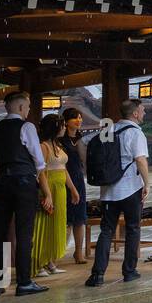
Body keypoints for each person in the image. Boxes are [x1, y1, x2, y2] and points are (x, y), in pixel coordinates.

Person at [0, 92, 53, 297]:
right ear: (20, 107)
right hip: (24, 180)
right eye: (28, 107)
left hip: (4, 181)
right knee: (24, 232)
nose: (29, 110)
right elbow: (38, 160)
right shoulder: (27, 126)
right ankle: (24, 282)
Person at [85, 98, 149, 288]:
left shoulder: (108, 130)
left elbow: (83, 143)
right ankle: (129, 271)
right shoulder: (136, 133)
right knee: (132, 229)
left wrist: (89, 169)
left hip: (108, 191)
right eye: (143, 110)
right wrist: (148, 183)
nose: (144, 113)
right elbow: (140, 160)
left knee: (106, 231)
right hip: (131, 188)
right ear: (135, 113)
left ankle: (97, 275)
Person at [32, 113, 74, 276]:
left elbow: (64, 169)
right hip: (49, 187)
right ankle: (38, 263)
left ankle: (51, 261)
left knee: (58, 224)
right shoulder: (43, 146)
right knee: (44, 225)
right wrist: (47, 194)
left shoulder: (58, 146)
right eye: (62, 125)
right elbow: (40, 171)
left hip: (61, 188)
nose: (64, 128)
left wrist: (73, 189)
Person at [60, 108, 89, 264]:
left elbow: (84, 161)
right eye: (75, 118)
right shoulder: (59, 140)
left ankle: (78, 252)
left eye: (80, 117)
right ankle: (59, 251)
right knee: (66, 219)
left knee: (80, 218)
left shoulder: (80, 139)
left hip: (78, 179)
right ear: (66, 121)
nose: (79, 120)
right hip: (64, 179)